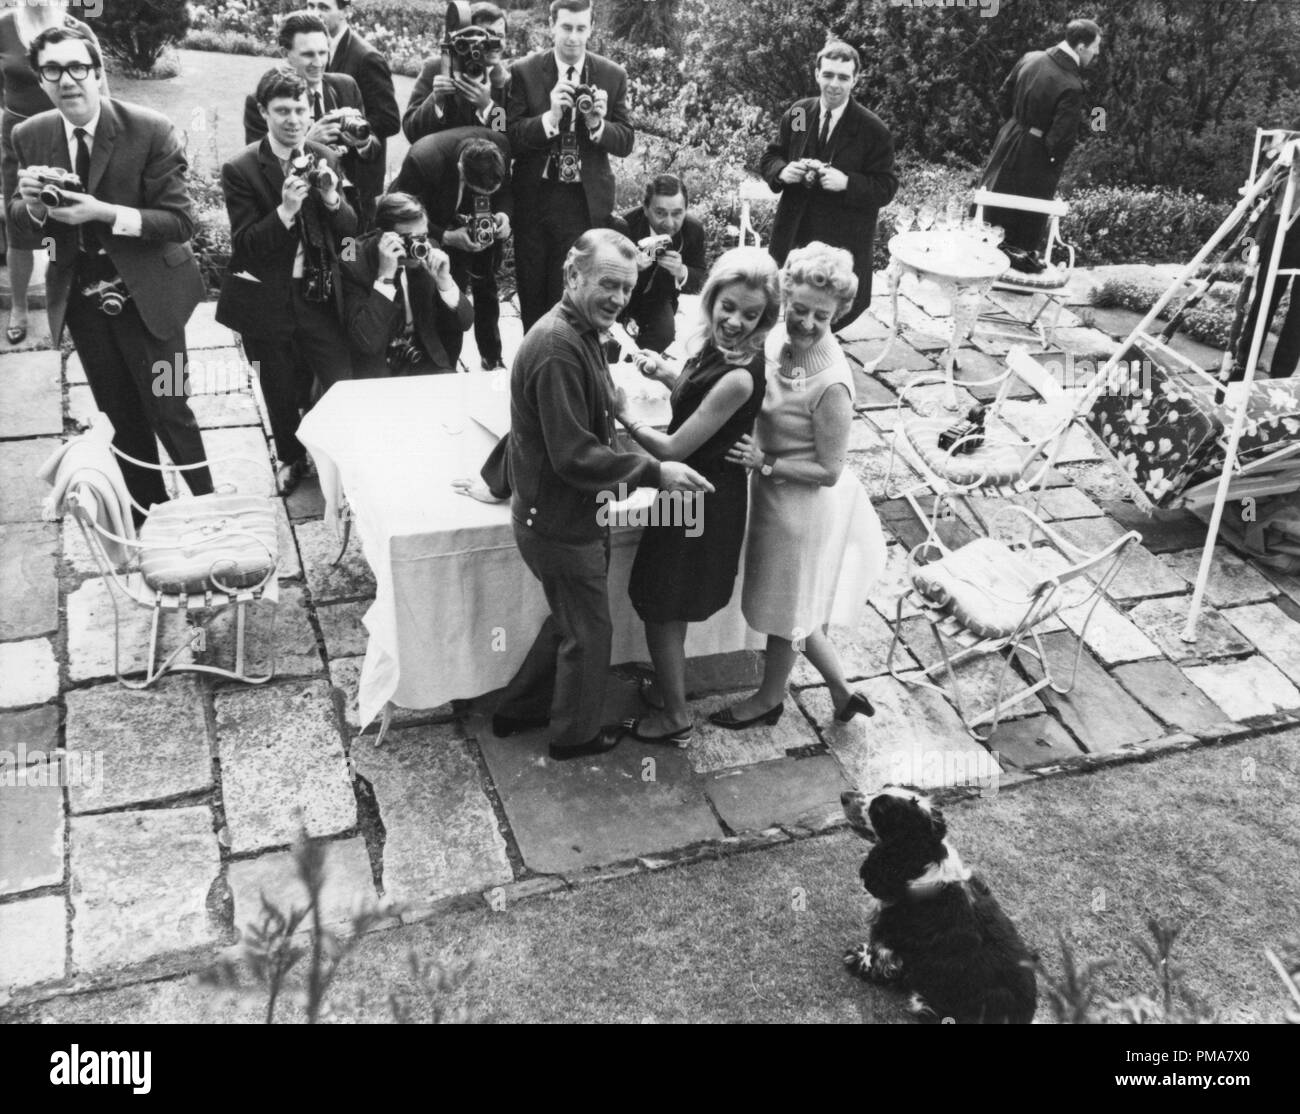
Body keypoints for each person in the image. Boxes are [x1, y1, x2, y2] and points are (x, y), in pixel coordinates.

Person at [468, 229, 714, 761]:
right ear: (572, 276)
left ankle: (518, 708)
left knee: (570, 621)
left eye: (626, 290)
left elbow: (550, 425)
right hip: (560, 521)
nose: (618, 299)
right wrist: (657, 472)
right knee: (590, 633)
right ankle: (574, 736)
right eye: (607, 284)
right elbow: (574, 457)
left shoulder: (574, 330)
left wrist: (609, 400)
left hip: (562, 514)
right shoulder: (559, 347)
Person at [7, 25, 211, 518]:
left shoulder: (150, 128)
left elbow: (180, 222)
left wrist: (100, 212)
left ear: (98, 73)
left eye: (78, 67)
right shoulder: (28, 135)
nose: (68, 80)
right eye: (52, 70)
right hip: (84, 305)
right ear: (40, 79)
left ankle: (207, 513)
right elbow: (16, 217)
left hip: (156, 303)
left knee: (172, 407)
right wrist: (34, 208)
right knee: (121, 414)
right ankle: (150, 514)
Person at [714, 242, 887, 729]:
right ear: (785, 299)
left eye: (822, 316)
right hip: (770, 499)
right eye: (799, 310)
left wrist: (763, 461)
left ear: (840, 314)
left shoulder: (832, 383)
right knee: (799, 607)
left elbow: (830, 472)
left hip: (797, 512)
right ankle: (842, 692)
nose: (807, 323)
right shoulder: (778, 341)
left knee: (786, 612)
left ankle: (769, 700)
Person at [612, 247, 781, 745]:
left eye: (751, 315)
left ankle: (675, 719)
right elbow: (695, 393)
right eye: (728, 307)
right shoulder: (719, 349)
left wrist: (626, 416)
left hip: (697, 503)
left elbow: (672, 448)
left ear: (765, 318)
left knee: (661, 604)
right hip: (692, 497)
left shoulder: (737, 375)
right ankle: (670, 691)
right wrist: (665, 373)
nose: (736, 321)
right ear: (712, 301)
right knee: (667, 599)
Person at [217, 65, 357, 496]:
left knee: (339, 377)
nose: (293, 119)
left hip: (317, 291)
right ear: (264, 112)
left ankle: (341, 453)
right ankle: (290, 457)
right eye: (282, 110)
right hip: (267, 296)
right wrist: (284, 212)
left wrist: (332, 198)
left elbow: (350, 231)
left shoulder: (326, 156)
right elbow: (245, 246)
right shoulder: (241, 168)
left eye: (300, 108)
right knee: (276, 384)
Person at [507, 0, 634, 331]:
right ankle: (534, 363)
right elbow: (512, 137)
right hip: (535, 196)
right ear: (551, 26)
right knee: (533, 291)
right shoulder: (525, 71)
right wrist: (549, 118)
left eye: (581, 28)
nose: (573, 37)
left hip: (582, 202)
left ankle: (569, 364)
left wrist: (597, 125)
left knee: (574, 296)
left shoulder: (611, 74)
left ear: (591, 28)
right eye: (566, 27)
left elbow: (626, 141)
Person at [760, 39, 897, 332]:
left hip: (841, 238)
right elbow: (775, 153)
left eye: (843, 77)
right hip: (795, 230)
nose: (834, 84)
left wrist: (847, 182)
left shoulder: (872, 130)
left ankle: (817, 355)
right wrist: (784, 171)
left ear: (855, 80)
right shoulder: (799, 114)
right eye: (828, 75)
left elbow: (886, 186)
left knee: (828, 312)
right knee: (786, 298)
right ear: (816, 74)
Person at [0, 0, 107, 345]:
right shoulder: (3, 26)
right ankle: (18, 308)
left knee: (73, 219)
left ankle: (71, 305)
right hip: (16, 139)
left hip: (69, 136)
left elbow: (101, 91)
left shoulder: (79, 30)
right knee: (20, 222)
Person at [391, 127, 511, 370]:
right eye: (480, 192)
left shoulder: (500, 144)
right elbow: (396, 211)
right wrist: (445, 236)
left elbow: (507, 191)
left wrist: (504, 216)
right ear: (460, 171)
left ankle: (492, 354)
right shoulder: (423, 160)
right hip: (433, 226)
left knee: (486, 284)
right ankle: (447, 360)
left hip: (476, 229)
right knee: (448, 298)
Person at [978, 18, 1102, 253]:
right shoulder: (1072, 86)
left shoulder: (1030, 57)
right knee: (1022, 219)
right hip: (1035, 155)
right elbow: (1060, 139)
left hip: (1009, 137)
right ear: (1081, 47)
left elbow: (1002, 98)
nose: (1097, 53)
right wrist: (1050, 162)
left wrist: (1017, 126)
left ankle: (981, 259)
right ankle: (1015, 273)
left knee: (992, 202)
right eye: (1095, 46)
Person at [242, 12, 379, 224]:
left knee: (349, 256)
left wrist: (363, 142)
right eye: (308, 54)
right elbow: (259, 169)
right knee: (320, 259)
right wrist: (308, 142)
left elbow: (373, 151)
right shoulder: (263, 101)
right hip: (303, 217)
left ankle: (348, 256)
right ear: (285, 53)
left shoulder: (345, 86)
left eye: (323, 53)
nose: (318, 63)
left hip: (347, 212)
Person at [340, 190, 472, 376]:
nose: (419, 247)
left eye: (423, 236)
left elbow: (465, 322)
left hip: (426, 360)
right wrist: (384, 277)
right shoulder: (353, 262)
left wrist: (445, 282)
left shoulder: (430, 248)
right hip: (379, 367)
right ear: (383, 236)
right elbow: (366, 342)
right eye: (410, 239)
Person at [304, 0, 400, 230]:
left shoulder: (366, 57)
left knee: (351, 255)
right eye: (310, 5)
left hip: (356, 184)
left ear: (345, 11)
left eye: (324, 7)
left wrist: (349, 129)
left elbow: (389, 119)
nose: (315, 13)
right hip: (320, 183)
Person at [613, 173, 706, 354]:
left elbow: (700, 275)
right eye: (660, 213)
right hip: (621, 293)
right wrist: (630, 268)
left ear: (686, 209)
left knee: (664, 334)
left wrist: (681, 272)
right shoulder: (624, 225)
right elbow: (601, 273)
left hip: (658, 297)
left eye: (677, 213)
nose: (669, 223)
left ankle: (638, 365)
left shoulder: (693, 230)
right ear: (646, 208)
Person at [403, 1, 510, 142]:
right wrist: (437, 101)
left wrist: (488, 107)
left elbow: (506, 138)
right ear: (466, 36)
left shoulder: (508, 80)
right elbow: (411, 131)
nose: (497, 44)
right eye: (487, 35)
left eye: (501, 36)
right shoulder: (438, 68)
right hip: (441, 161)